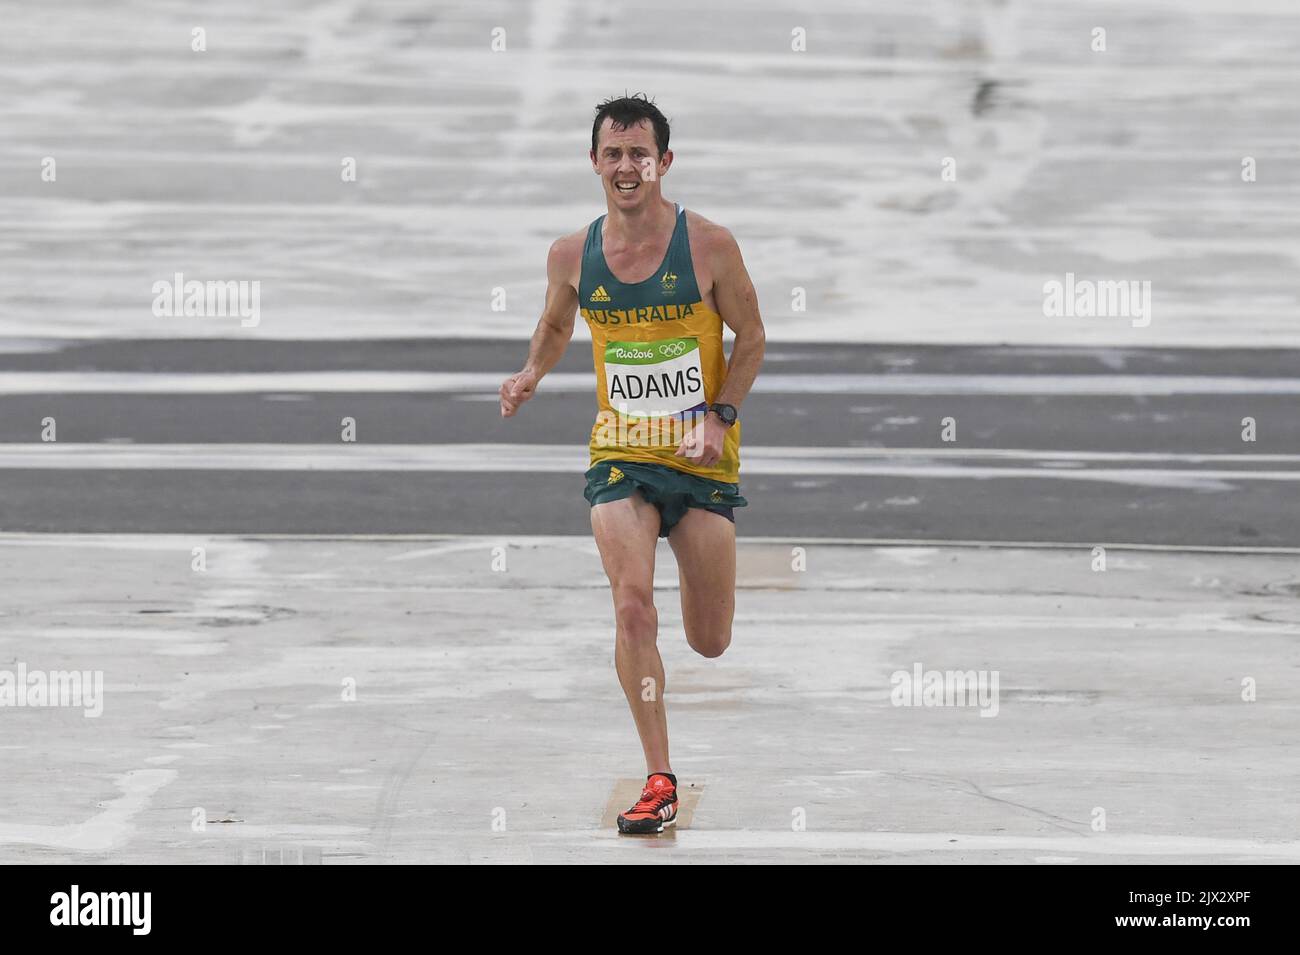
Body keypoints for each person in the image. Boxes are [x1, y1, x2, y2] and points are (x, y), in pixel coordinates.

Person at [499, 94, 766, 834]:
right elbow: (556, 323)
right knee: (630, 604)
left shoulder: (709, 246)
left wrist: (720, 414)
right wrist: (529, 373)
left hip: (701, 462)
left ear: (663, 163)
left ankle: (694, 571)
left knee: (710, 639)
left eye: (638, 155)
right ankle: (660, 777)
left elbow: (752, 335)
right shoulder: (570, 256)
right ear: (594, 162)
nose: (625, 167)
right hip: (620, 454)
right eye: (612, 154)